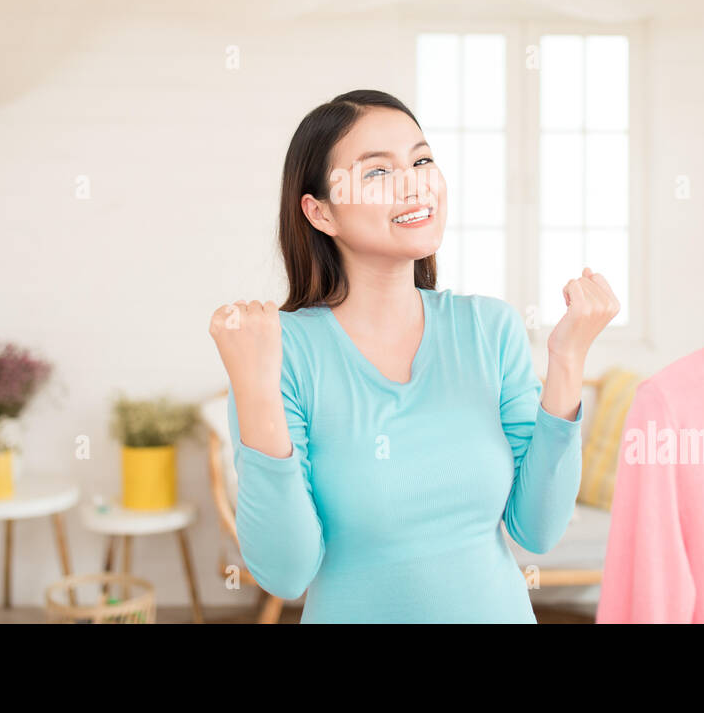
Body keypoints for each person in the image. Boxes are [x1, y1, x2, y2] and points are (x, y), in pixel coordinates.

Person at [209, 88, 620, 622]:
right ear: (321, 212)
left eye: (422, 160)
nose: (415, 182)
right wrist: (257, 388)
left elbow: (537, 529)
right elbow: (286, 573)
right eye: (377, 172)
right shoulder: (279, 351)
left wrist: (566, 362)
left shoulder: (489, 328)